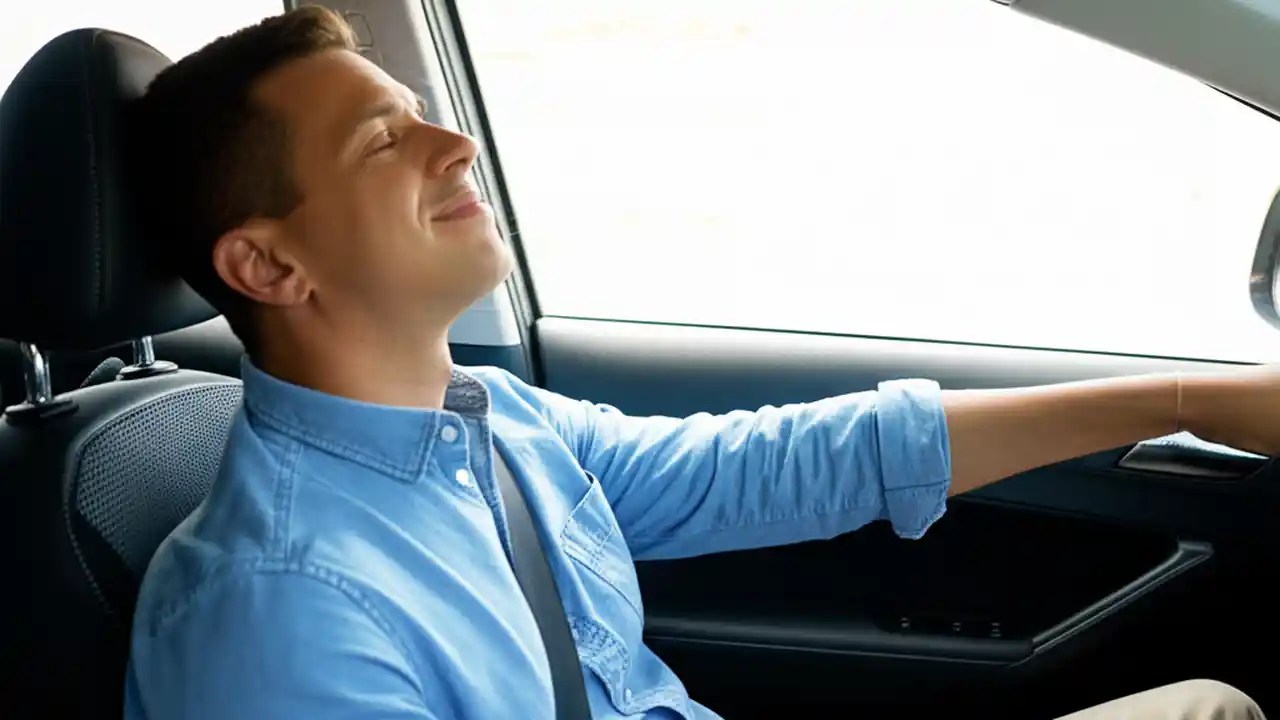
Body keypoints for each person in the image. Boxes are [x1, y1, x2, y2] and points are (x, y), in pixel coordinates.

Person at [123, 7, 1266, 719]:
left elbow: (782, 464)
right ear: (268, 267)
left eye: (419, 111)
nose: (452, 141)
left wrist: (1187, 401)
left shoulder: (493, 423)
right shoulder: (272, 611)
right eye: (383, 141)